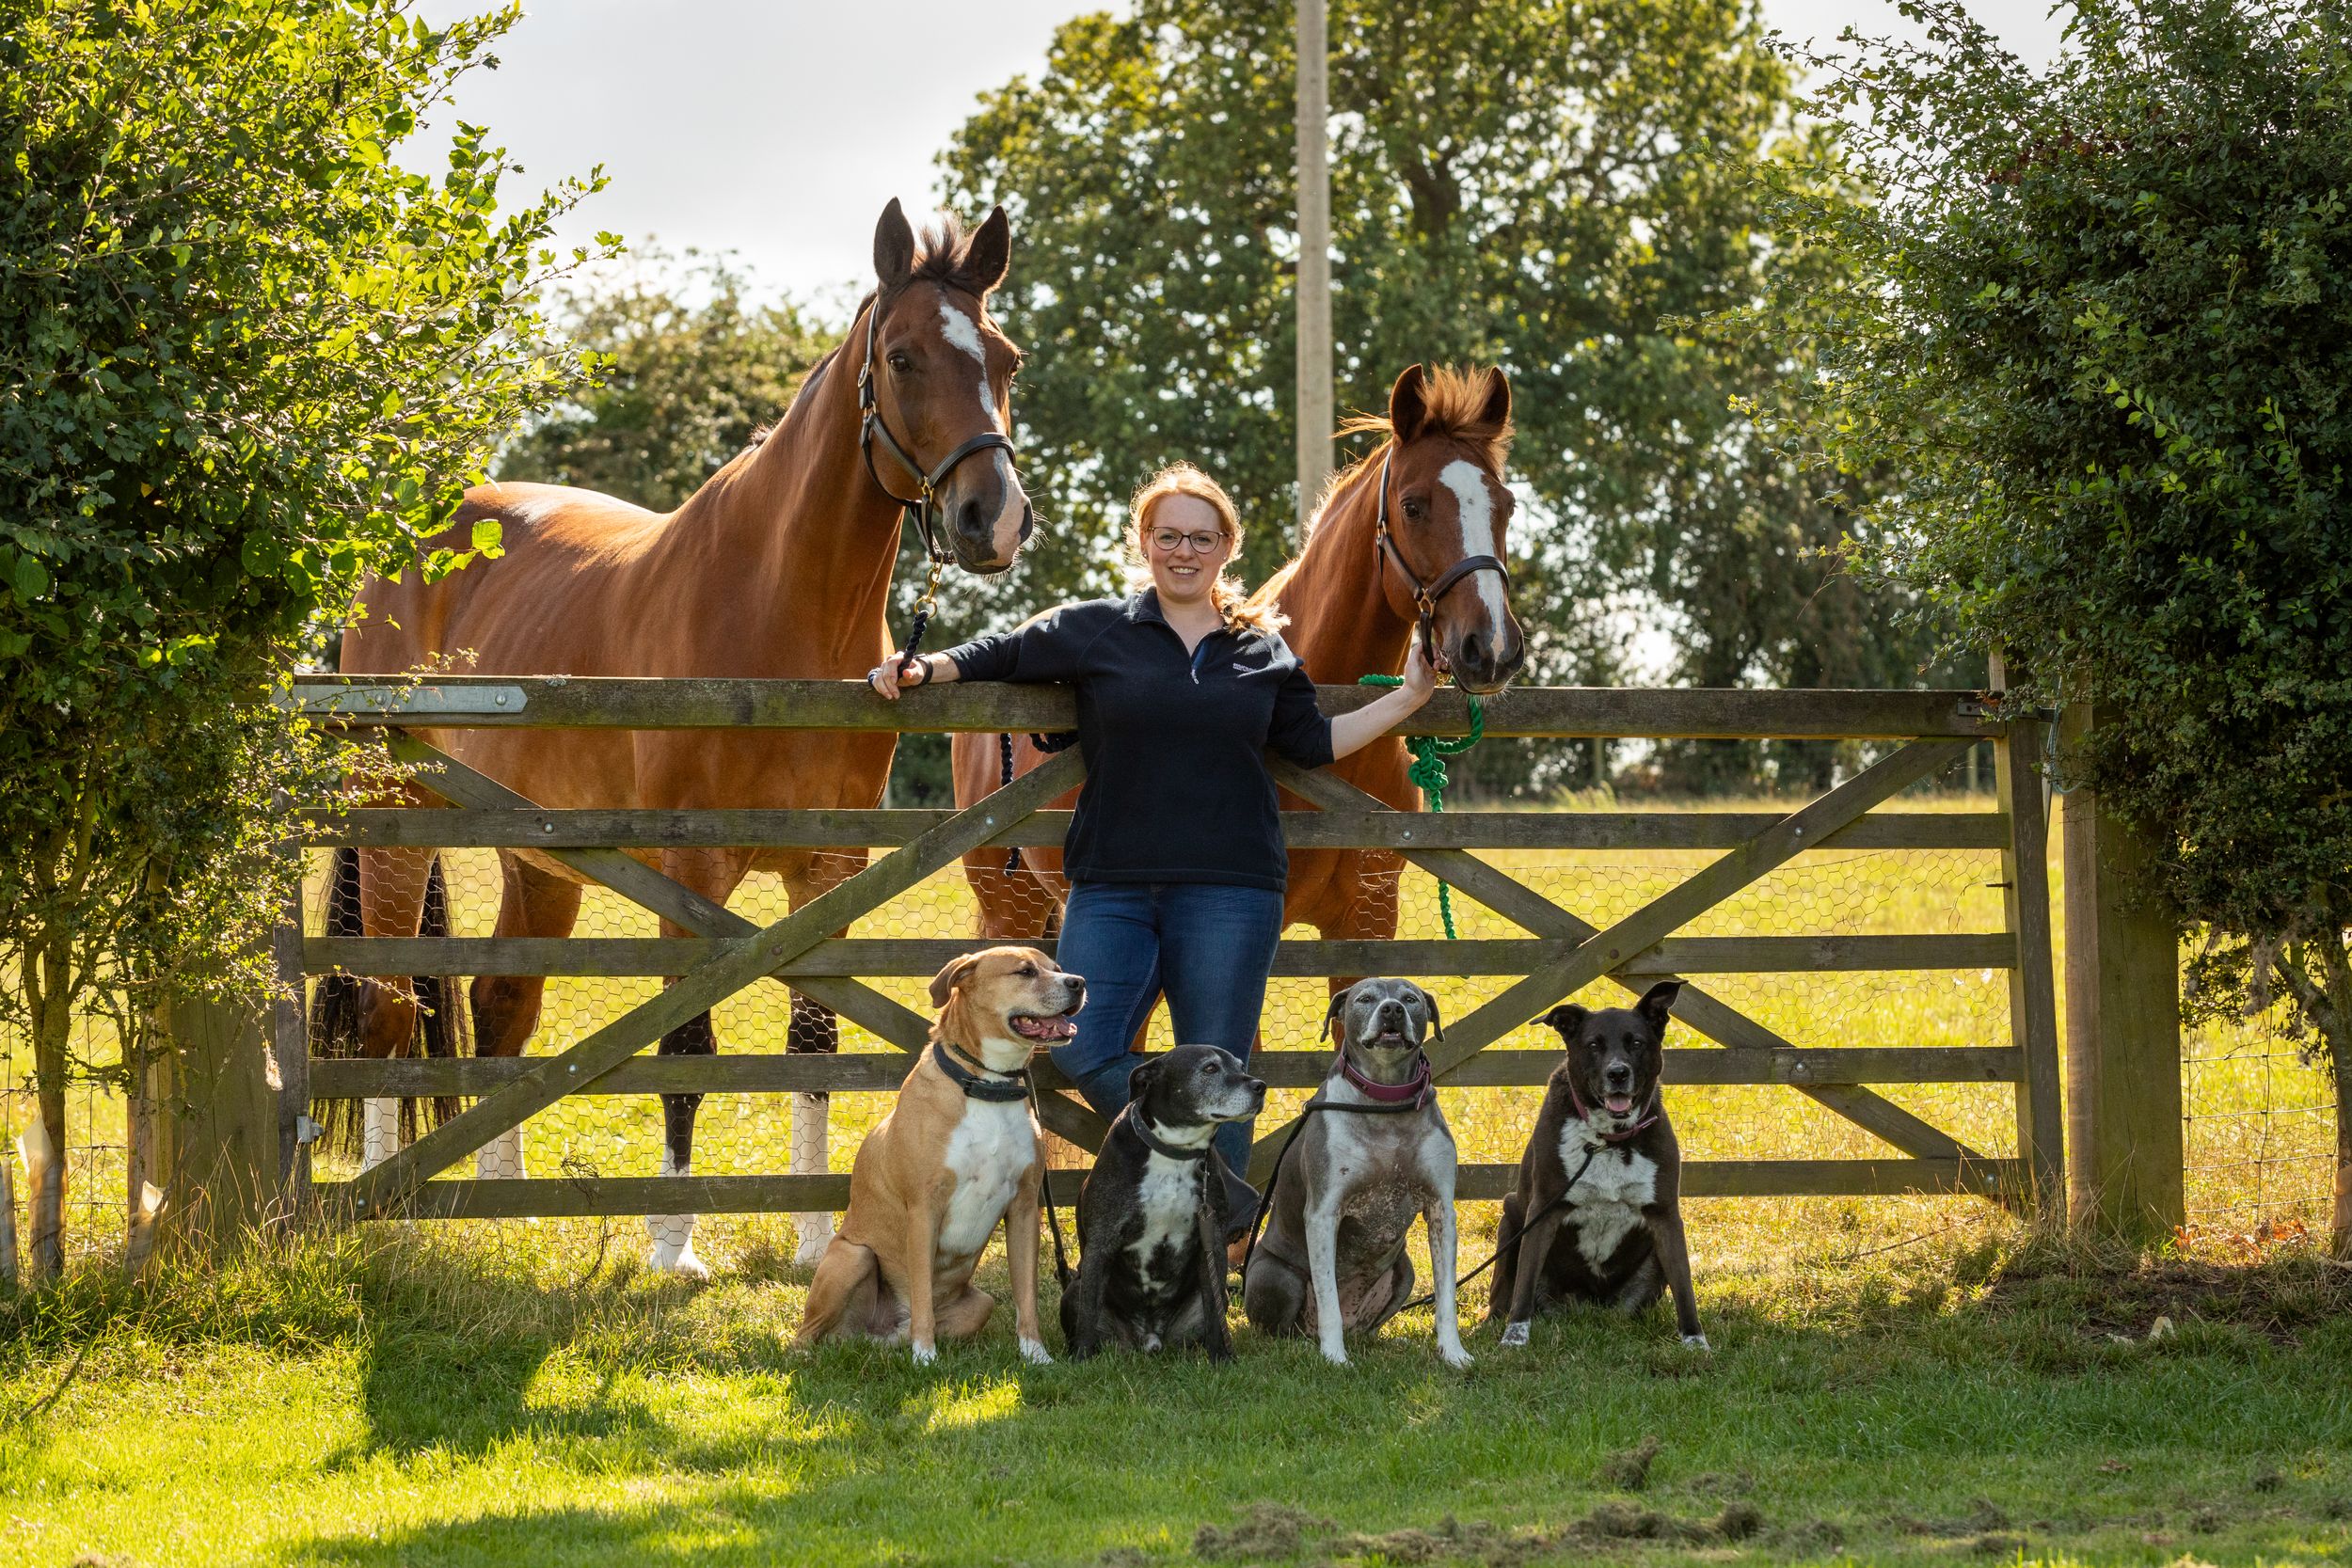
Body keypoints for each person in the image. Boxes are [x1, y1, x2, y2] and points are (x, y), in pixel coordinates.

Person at [868, 462, 1436, 1203]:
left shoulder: (1262, 650)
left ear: (1227, 546)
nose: (1183, 550)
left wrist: (1412, 695)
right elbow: (1001, 652)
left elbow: (1316, 740)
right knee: (1085, 1044)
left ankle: (1216, 1243)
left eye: (1201, 537)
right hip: (1112, 884)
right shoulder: (1097, 628)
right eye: (1168, 535)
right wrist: (925, 666)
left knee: (1222, 1060)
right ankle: (1220, 1186)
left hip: (1232, 890)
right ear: (1144, 541)